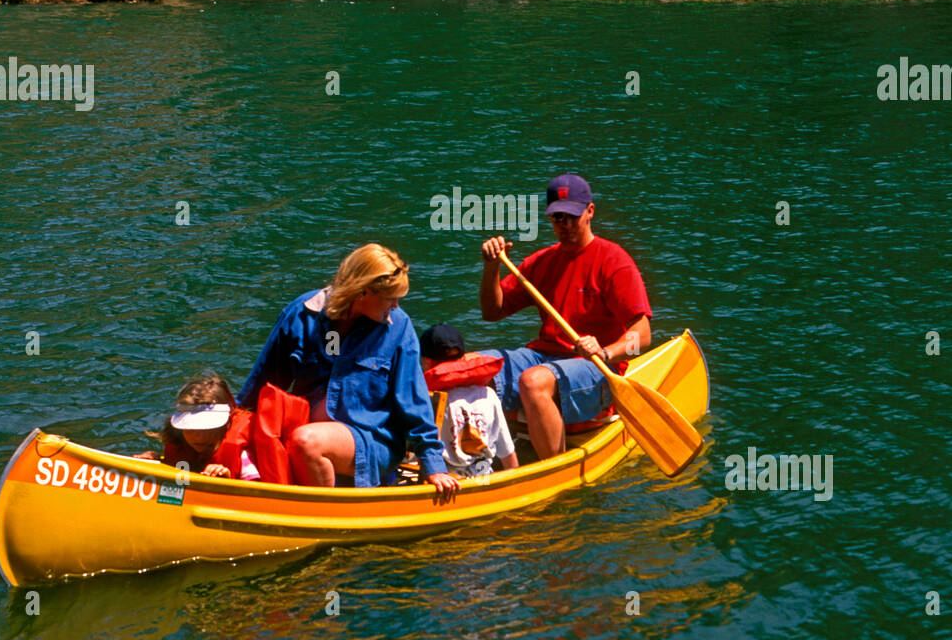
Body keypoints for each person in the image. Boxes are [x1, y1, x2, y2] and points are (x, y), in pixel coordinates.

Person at [239, 244, 460, 498]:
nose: (396, 305)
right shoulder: (301, 315)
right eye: (390, 298)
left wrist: (432, 463)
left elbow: (413, 401)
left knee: (307, 442)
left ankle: (326, 522)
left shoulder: (398, 328)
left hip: (372, 439)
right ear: (362, 292)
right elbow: (260, 385)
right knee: (297, 440)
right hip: (303, 431)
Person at [479, 173, 652, 460]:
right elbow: (492, 312)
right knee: (470, 369)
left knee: (533, 382)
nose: (565, 225)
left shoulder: (614, 261)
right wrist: (491, 269)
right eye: (558, 218)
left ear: (590, 212)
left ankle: (554, 468)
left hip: (598, 367)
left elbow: (642, 337)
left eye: (572, 216)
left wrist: (606, 351)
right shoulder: (541, 261)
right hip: (544, 357)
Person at [136, 372, 302, 482]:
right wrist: (160, 464)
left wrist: (227, 477)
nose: (198, 437)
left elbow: (256, 493)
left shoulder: (242, 454)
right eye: (190, 428)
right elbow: (181, 480)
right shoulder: (180, 443)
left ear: (225, 424)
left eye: (207, 429)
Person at [420, 324, 518, 478]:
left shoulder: (428, 399)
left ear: (426, 362)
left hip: (445, 479)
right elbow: (506, 449)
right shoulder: (488, 394)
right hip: (482, 475)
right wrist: (514, 482)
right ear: (463, 358)